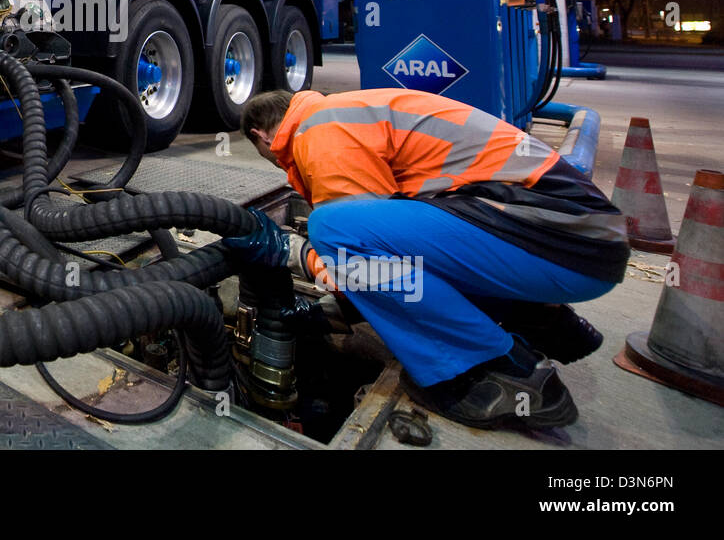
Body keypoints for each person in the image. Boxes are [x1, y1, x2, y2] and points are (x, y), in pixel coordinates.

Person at [226, 87, 628, 430]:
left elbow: (354, 256)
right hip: (573, 239)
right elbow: (390, 262)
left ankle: (493, 372)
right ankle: (537, 319)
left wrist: (295, 253)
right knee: (350, 233)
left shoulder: (320, 131)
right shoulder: (340, 112)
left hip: (561, 238)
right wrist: (335, 312)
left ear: (261, 135)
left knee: (332, 229)